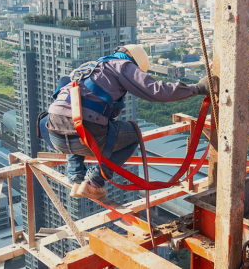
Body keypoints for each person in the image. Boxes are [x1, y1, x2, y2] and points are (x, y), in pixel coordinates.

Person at [38, 44, 216, 200]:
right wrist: (196, 89)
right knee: (133, 133)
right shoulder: (123, 66)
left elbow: (70, 103)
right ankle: (94, 182)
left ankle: (76, 177)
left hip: (54, 134)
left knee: (75, 119)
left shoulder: (89, 68)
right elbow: (156, 91)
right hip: (83, 134)